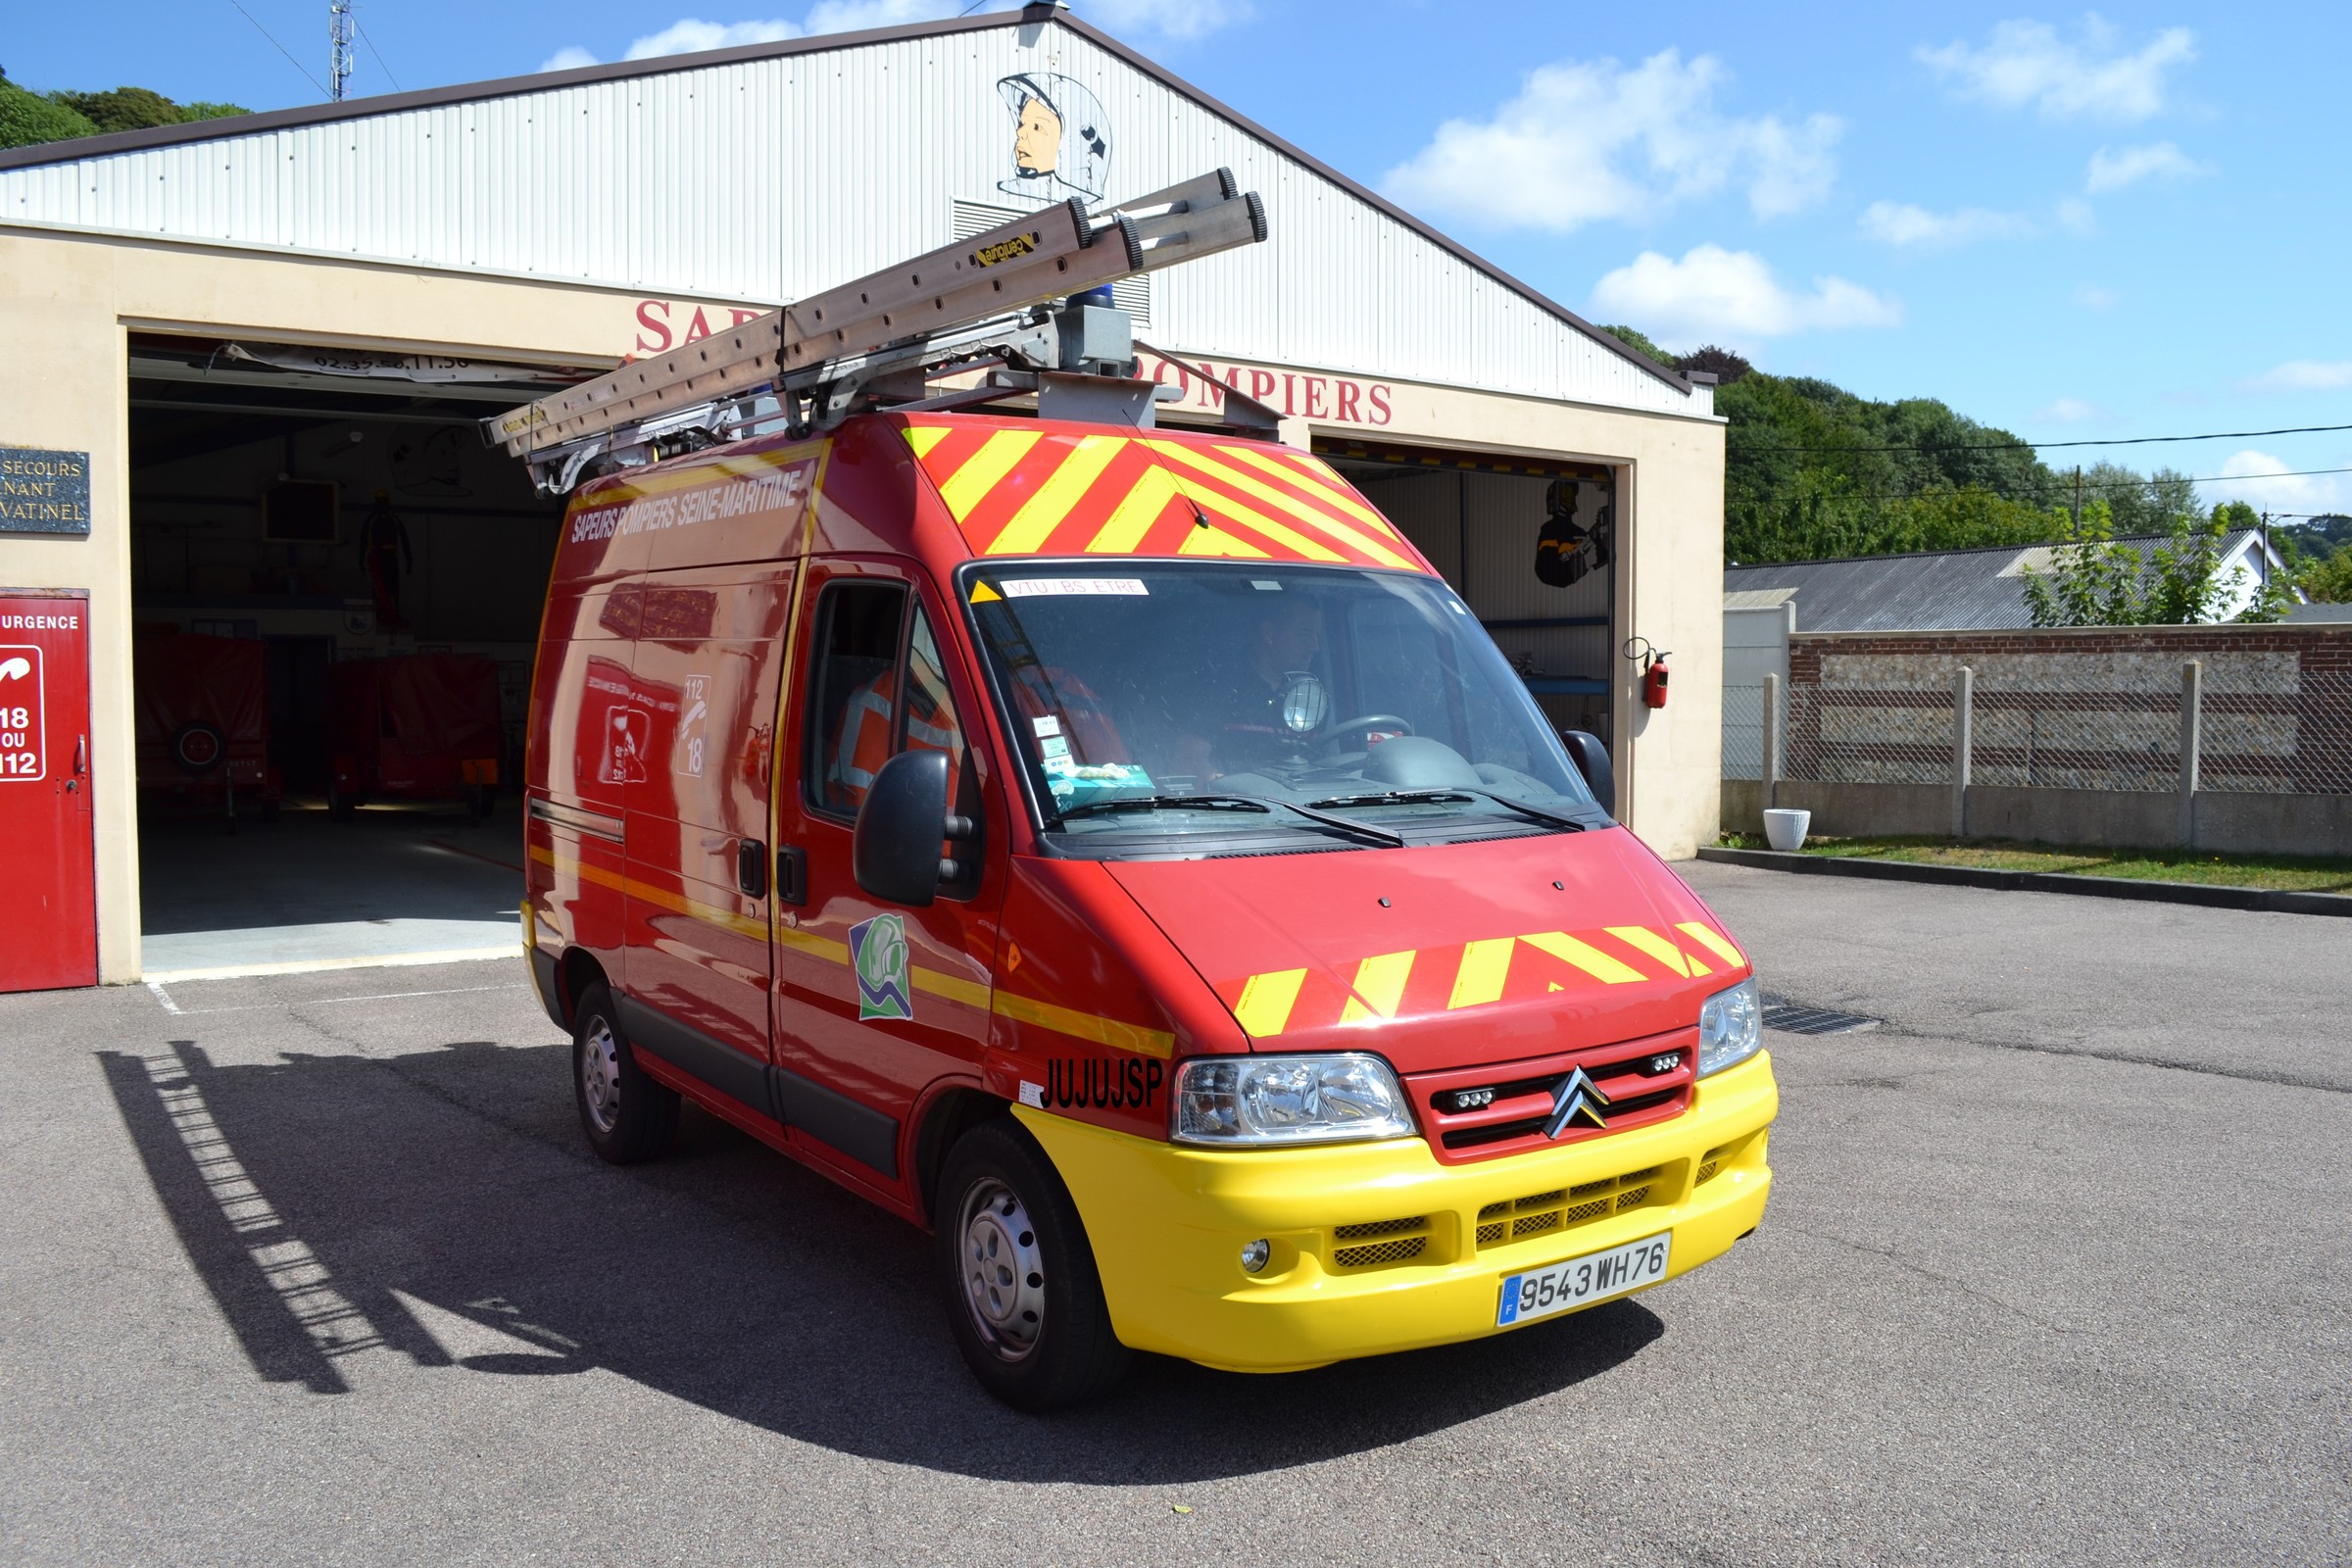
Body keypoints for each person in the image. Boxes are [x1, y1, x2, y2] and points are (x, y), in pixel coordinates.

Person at [1169, 598, 1323, 782]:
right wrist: (1241, 794)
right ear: (1269, 634)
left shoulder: (1315, 697)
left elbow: (1329, 763)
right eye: (1304, 634)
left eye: (1316, 636)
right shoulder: (1216, 690)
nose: (1315, 647)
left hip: (1311, 806)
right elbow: (1190, 762)